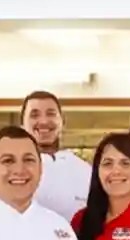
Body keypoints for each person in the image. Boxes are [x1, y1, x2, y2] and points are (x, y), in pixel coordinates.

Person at [24, 90, 92, 221]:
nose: (43, 121)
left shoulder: (85, 171)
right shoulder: (12, 173)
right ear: (23, 124)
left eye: (51, 114)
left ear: (62, 121)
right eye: (34, 115)